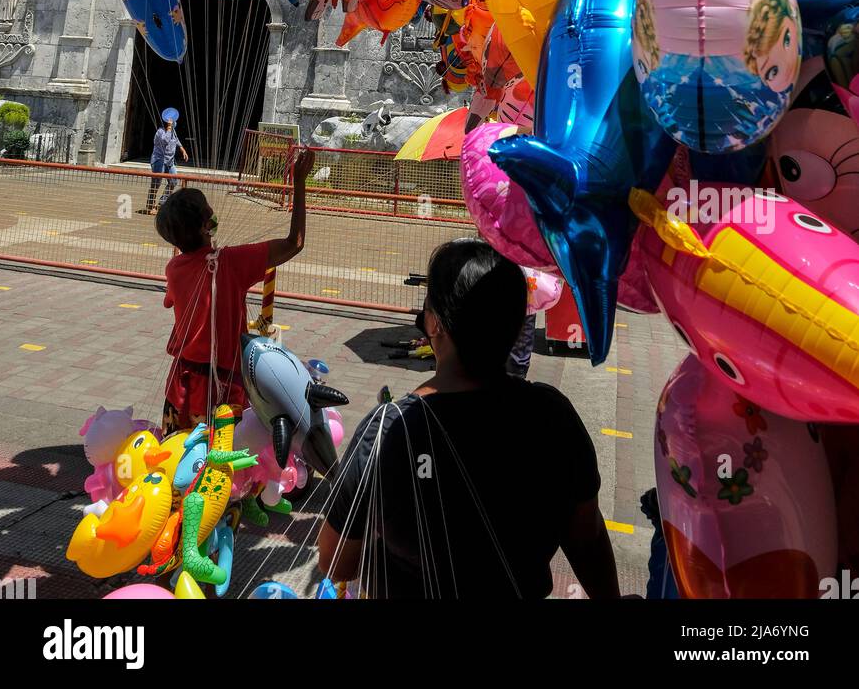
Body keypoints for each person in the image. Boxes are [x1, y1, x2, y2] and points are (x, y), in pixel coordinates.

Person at [318, 238, 620, 600]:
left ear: (433, 323)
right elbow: (586, 537)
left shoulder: (389, 429)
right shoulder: (552, 415)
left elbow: (335, 561)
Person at [155, 146, 314, 436]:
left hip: (182, 385)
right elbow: (295, 243)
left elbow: (172, 301)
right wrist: (300, 183)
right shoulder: (230, 263)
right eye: (209, 210)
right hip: (224, 388)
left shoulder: (174, 268)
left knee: (177, 453)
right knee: (224, 462)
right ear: (206, 226)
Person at [140, 108, 188, 213]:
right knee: (156, 182)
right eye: (172, 122)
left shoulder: (173, 131)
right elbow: (165, 140)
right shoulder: (160, 132)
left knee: (174, 181)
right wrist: (169, 127)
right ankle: (151, 205)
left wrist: (182, 149)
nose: (174, 123)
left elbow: (176, 140)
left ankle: (162, 203)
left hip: (169, 162)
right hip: (159, 160)